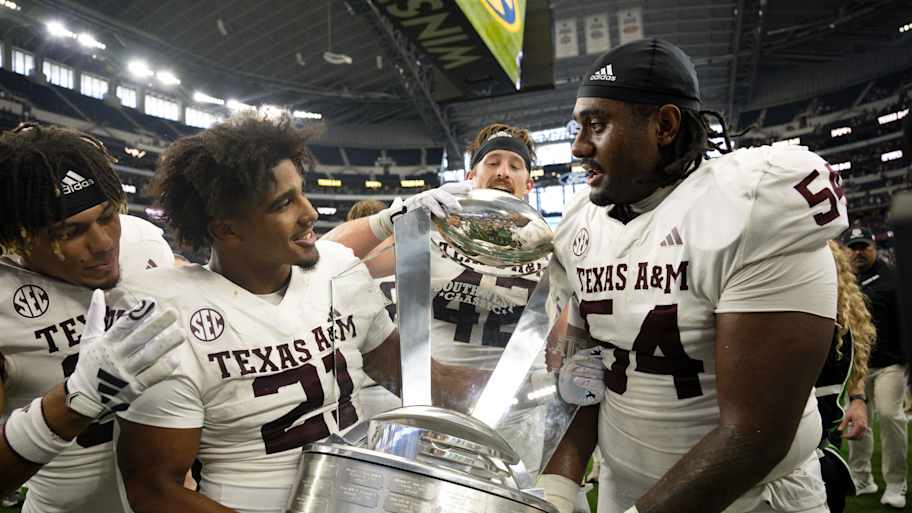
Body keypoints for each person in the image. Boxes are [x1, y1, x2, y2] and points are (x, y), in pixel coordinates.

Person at [539, 38, 848, 513]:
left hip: (752, 500)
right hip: (624, 490)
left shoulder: (750, 205)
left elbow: (754, 436)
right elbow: (584, 380)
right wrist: (557, 490)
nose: (579, 146)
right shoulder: (580, 222)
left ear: (664, 124)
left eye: (598, 124)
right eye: (578, 126)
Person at [114, 113, 476, 513]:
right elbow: (154, 490)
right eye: (283, 203)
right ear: (226, 230)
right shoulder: (170, 315)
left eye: (301, 193)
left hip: (361, 496)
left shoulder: (336, 269)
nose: (310, 213)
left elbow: (424, 379)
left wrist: (541, 386)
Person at [325, 123, 550, 472]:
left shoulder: (552, 245)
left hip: (517, 414)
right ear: (470, 175)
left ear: (529, 185)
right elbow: (330, 258)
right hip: (434, 407)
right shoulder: (433, 231)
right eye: (492, 162)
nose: (503, 172)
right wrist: (391, 218)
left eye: (514, 165)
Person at [0, 123, 184, 512]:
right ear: (18, 236)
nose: (103, 244)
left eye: (107, 217)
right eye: (71, 231)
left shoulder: (146, 244)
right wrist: (76, 398)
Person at [844, 226, 908, 508]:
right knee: (858, 421)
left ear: (873, 247)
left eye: (863, 246)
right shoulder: (844, 280)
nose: (858, 252)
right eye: (853, 247)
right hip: (856, 367)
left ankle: (896, 483)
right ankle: (861, 477)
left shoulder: (893, 279)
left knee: (888, 413)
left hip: (889, 363)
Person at [815, 240, 875, 513]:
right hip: (818, 452)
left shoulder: (830, 318)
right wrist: (858, 398)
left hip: (809, 456)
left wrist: (858, 398)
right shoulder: (841, 313)